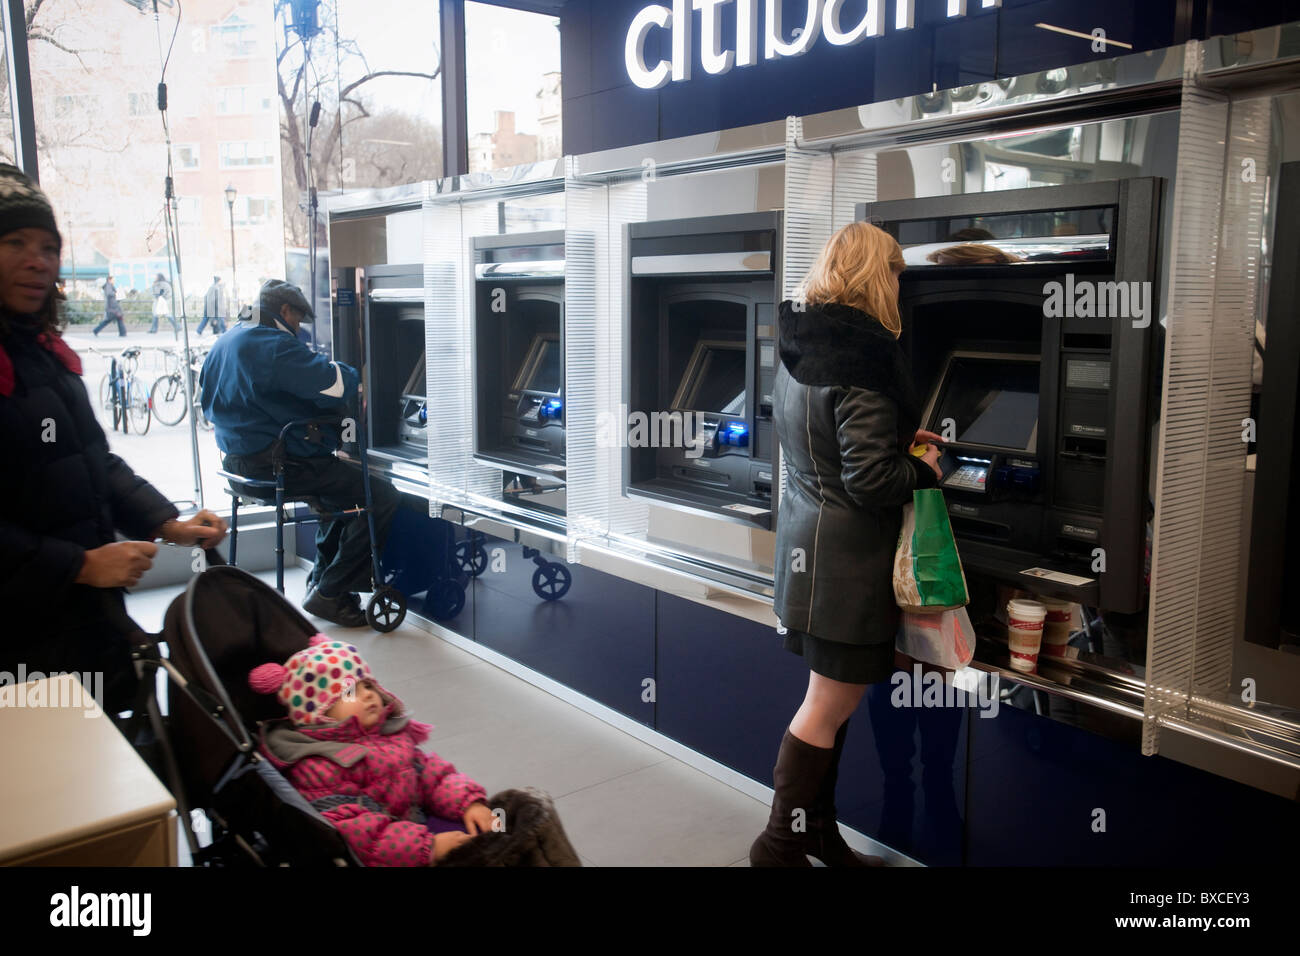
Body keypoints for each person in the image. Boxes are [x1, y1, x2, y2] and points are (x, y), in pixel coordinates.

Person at [749, 221, 945, 867]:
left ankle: (817, 835)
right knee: (824, 708)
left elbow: (829, 451)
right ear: (877, 275)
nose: (899, 283)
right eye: (895, 271)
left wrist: (898, 441)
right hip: (846, 565)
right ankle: (779, 845)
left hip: (811, 544)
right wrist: (922, 469)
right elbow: (870, 478)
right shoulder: (862, 362)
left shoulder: (805, 344)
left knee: (829, 707)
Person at [0, 164, 228, 714]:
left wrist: (165, 522)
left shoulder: (46, 357)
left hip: (81, 622)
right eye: (14, 242)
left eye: (48, 246)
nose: (38, 261)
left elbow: (94, 462)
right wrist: (79, 565)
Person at [247, 635, 582, 866]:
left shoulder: (387, 735)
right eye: (350, 691)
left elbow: (431, 775)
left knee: (520, 808)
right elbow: (355, 831)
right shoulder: (317, 764)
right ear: (318, 711)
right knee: (519, 835)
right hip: (402, 853)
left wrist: (469, 802)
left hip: (416, 828)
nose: (367, 695)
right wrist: (428, 847)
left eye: (367, 685)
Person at [199, 279, 399, 627]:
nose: (297, 329)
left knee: (335, 497)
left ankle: (321, 580)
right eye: (297, 319)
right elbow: (335, 383)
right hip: (278, 467)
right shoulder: (270, 344)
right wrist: (355, 376)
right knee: (379, 496)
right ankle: (331, 593)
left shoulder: (227, 339)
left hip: (237, 466)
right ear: (285, 311)